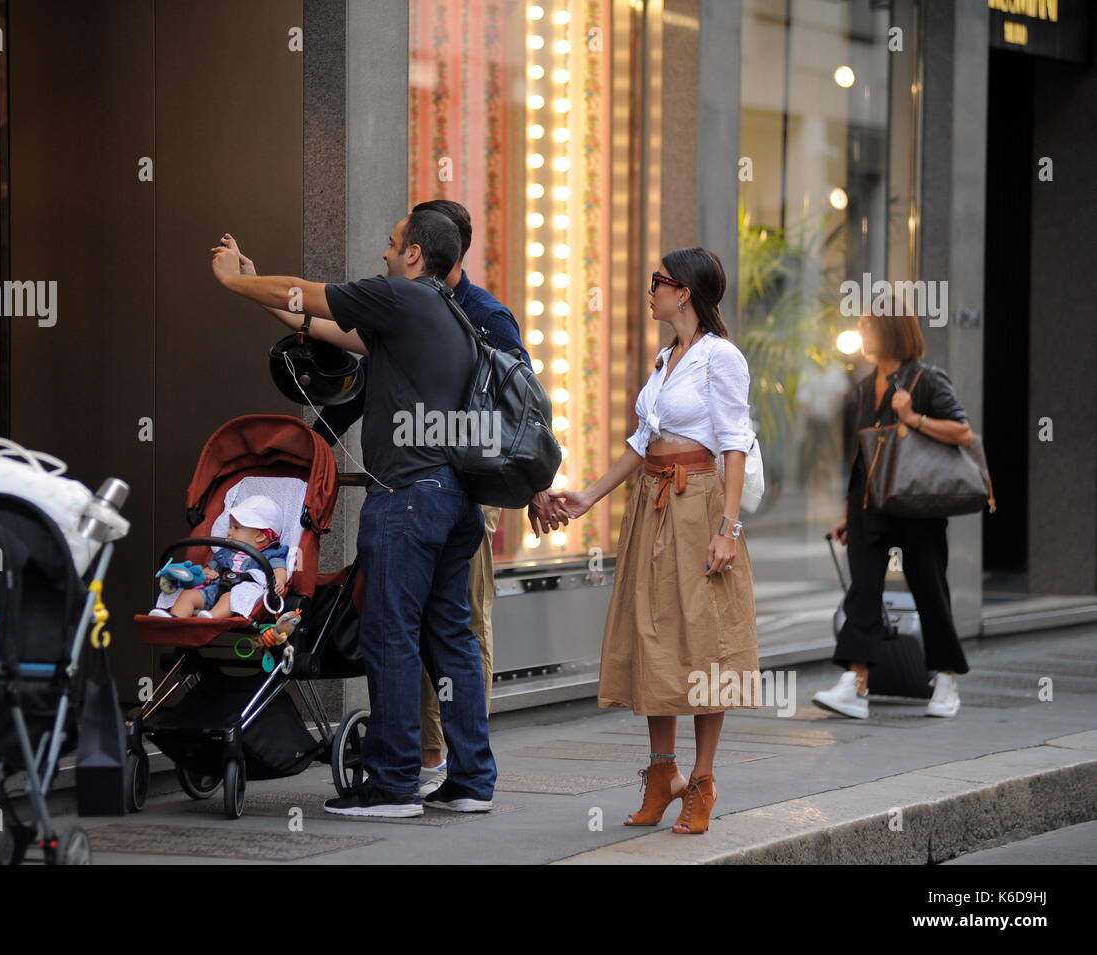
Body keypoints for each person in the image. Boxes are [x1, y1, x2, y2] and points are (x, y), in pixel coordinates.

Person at [210, 208, 498, 817]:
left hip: (410, 498)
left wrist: (234, 283)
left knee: (389, 633)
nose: (385, 255)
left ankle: (392, 784)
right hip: (455, 500)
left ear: (416, 255)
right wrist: (260, 285)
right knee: (450, 638)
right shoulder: (443, 317)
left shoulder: (399, 297)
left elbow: (307, 292)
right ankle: (471, 781)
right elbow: (311, 320)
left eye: (393, 245)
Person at [548, 247, 758, 835]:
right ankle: (662, 773)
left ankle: (703, 780)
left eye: (658, 281)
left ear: (684, 292)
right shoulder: (666, 358)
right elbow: (643, 441)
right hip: (653, 506)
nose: (652, 290)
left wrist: (728, 529)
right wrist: (588, 496)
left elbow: (735, 442)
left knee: (707, 638)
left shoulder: (721, 358)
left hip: (701, 506)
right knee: (654, 632)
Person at [812, 305, 972, 720]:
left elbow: (962, 432)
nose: (862, 335)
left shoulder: (927, 379)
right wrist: (850, 511)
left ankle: (947, 678)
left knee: (930, 591)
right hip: (869, 508)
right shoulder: (865, 388)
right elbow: (863, 458)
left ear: (891, 332)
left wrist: (913, 417)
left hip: (917, 506)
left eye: (868, 328)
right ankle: (856, 683)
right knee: (862, 593)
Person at [149, 495, 289, 619]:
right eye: (230, 526)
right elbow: (210, 569)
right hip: (215, 588)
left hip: (241, 593)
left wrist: (279, 582)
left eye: (236, 528)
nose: (228, 532)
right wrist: (207, 573)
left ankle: (210, 619)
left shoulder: (271, 554)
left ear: (260, 536)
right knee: (188, 595)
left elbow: (279, 570)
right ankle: (174, 618)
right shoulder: (225, 552)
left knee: (230, 598)